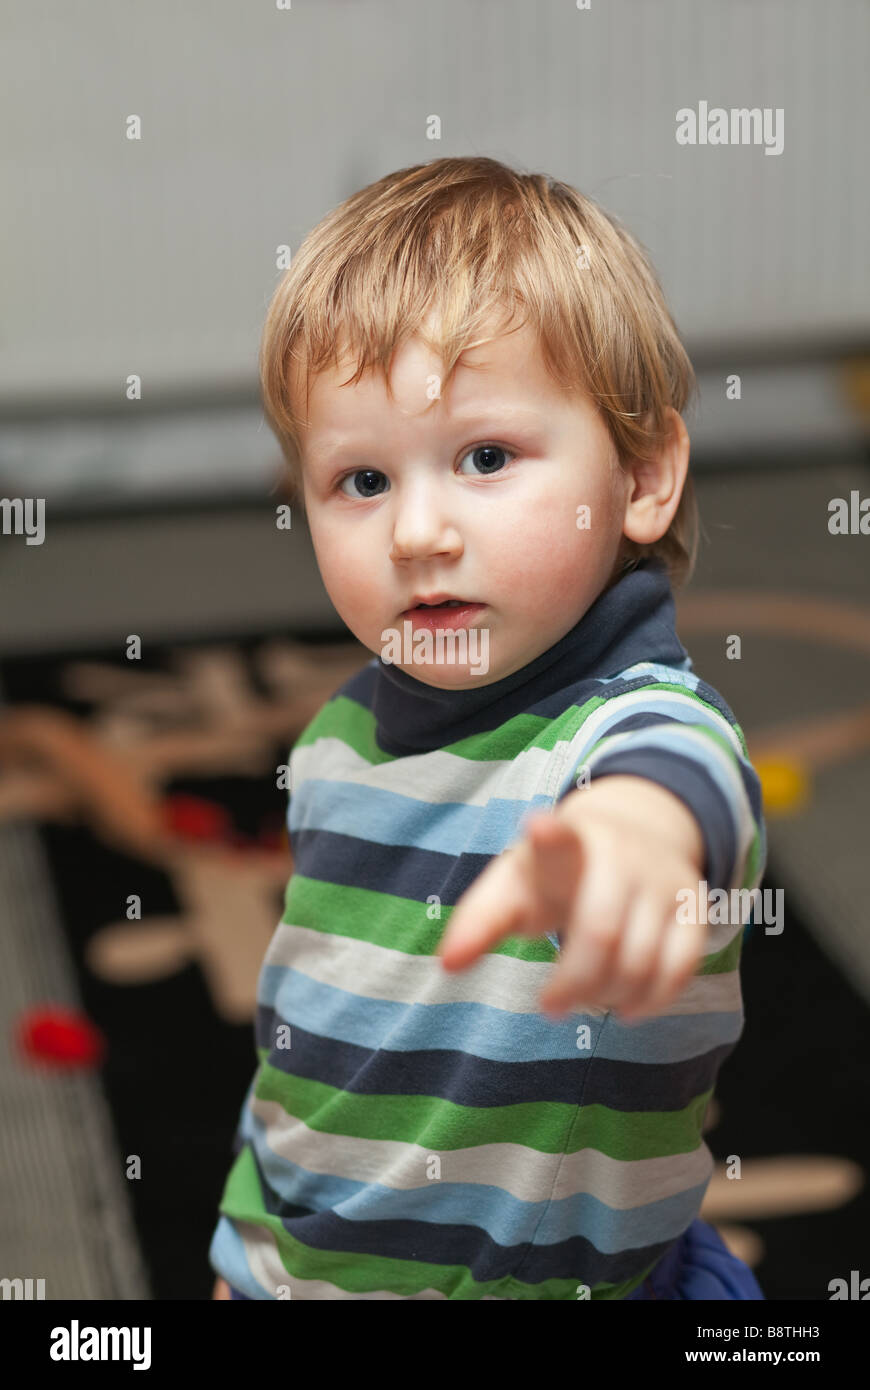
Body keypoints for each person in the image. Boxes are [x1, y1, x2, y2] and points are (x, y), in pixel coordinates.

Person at [209, 156, 766, 1300]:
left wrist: (631, 843)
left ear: (645, 473)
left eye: (485, 458)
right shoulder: (335, 742)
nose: (418, 529)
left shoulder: (637, 731)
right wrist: (247, 1255)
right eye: (361, 479)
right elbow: (310, 1056)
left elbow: (676, 785)